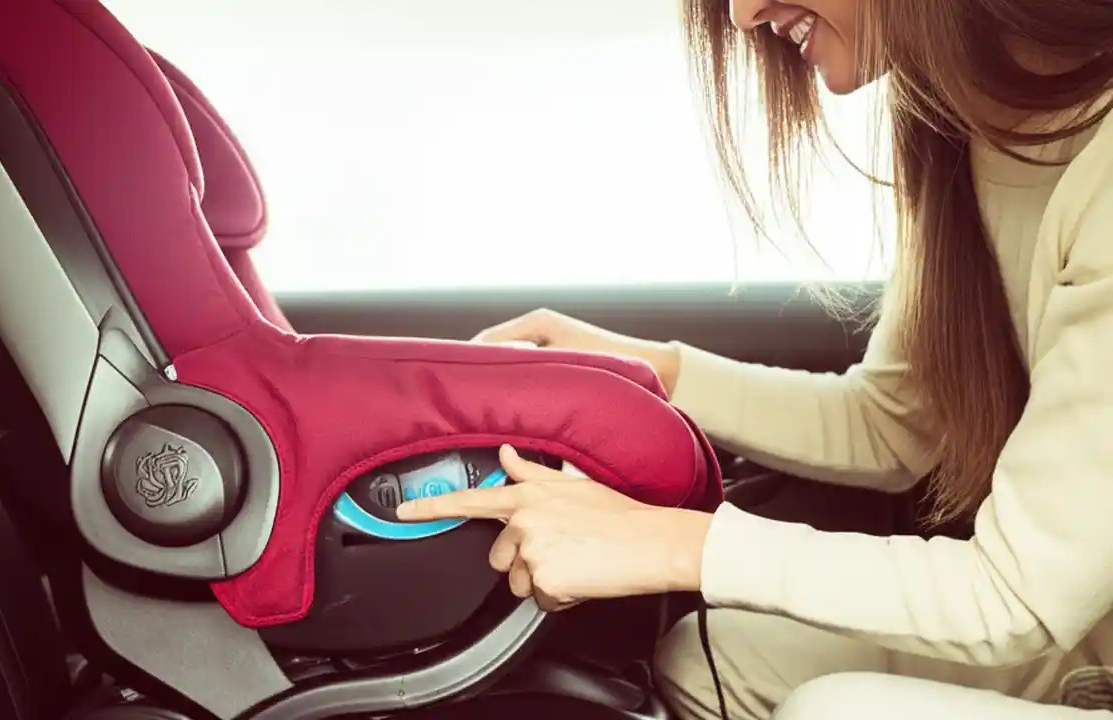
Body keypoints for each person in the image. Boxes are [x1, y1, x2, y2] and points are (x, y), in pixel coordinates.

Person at [394, 0, 1113, 718]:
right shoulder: (961, 119)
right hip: (1089, 641)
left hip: (1062, 624)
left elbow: (1016, 592)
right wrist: (636, 371)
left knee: (833, 711)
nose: (740, 15)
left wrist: (669, 545)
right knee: (709, 662)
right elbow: (897, 422)